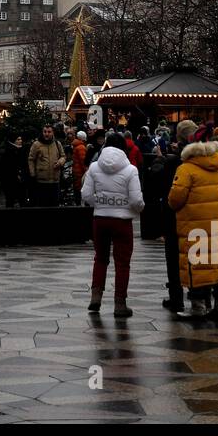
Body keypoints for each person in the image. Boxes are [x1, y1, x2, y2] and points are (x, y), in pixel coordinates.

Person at [168, 125, 218, 320]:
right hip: (216, 224)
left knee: (195, 265)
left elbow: (175, 199)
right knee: (215, 262)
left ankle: (198, 306)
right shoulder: (215, 165)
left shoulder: (186, 168)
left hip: (193, 223)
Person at [81, 133, 144, 318]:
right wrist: (138, 209)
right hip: (122, 221)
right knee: (122, 263)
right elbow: (136, 200)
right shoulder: (131, 170)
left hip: (100, 219)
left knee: (100, 258)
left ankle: (96, 297)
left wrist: (99, 203)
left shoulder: (93, 167)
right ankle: (120, 304)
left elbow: (85, 195)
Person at [146, 119, 195, 313]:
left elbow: (158, 182)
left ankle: (176, 296)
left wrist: (159, 159)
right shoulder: (206, 157)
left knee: (174, 255)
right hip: (199, 215)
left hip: (175, 215)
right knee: (197, 255)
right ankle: (199, 295)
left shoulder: (174, 160)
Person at [27, 124, 65, 207]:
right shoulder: (36, 144)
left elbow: (63, 156)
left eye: (49, 132)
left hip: (55, 181)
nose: (46, 134)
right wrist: (32, 174)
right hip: (41, 181)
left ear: (53, 133)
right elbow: (31, 159)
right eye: (45, 132)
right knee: (42, 204)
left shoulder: (57, 144)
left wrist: (60, 162)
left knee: (54, 204)